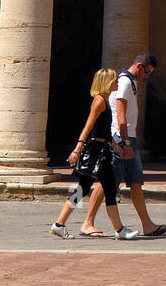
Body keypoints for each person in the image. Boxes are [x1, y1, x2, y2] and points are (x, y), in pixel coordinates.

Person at [49, 68, 139, 240]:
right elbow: (88, 126)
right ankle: (120, 230)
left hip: (102, 149)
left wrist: (120, 149)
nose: (117, 82)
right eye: (114, 80)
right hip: (97, 153)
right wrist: (77, 149)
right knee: (110, 189)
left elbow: (105, 133)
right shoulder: (99, 101)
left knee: (83, 189)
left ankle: (59, 225)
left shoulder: (105, 100)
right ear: (106, 82)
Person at [109, 52, 166, 237]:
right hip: (122, 139)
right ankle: (84, 222)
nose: (147, 76)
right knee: (107, 183)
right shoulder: (125, 82)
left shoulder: (131, 82)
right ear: (138, 66)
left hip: (129, 138)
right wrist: (125, 142)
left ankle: (147, 225)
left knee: (135, 182)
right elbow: (121, 116)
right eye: (147, 72)